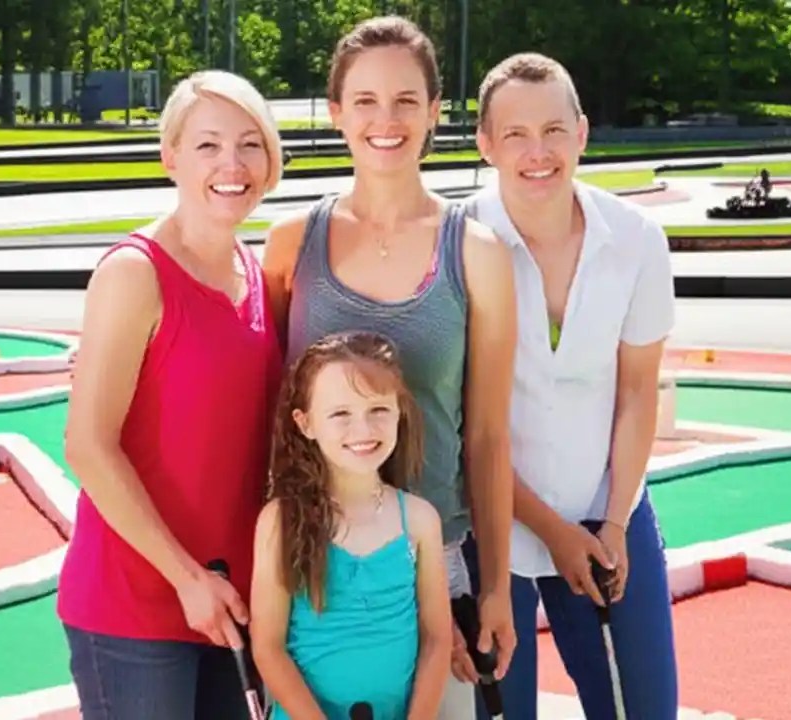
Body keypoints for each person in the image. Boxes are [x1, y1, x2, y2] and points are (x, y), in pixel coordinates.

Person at [261, 16, 518, 717]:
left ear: (436, 112)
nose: (387, 119)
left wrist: (494, 586)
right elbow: (268, 414)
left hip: (432, 570)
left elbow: (489, 436)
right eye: (366, 100)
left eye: (407, 100)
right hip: (311, 568)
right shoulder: (291, 245)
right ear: (337, 112)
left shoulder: (478, 253)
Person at [56, 69, 286, 720]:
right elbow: (88, 446)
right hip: (135, 607)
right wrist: (188, 579)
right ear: (171, 157)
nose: (232, 164)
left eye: (250, 144)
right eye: (208, 145)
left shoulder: (258, 273)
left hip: (232, 598)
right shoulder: (135, 273)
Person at [464, 52, 679, 719]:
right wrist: (554, 532)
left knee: (643, 710)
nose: (538, 152)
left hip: (607, 507)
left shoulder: (638, 238)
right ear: (485, 145)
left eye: (554, 130)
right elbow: (470, 423)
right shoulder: (458, 242)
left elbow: (639, 390)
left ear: (582, 134)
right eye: (516, 135)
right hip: (486, 519)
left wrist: (613, 521)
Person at [251, 331, 453, 720]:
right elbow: (268, 647)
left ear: (400, 412)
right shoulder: (281, 521)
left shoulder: (420, 520)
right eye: (340, 414)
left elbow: (437, 638)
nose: (363, 430)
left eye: (378, 410)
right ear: (305, 423)